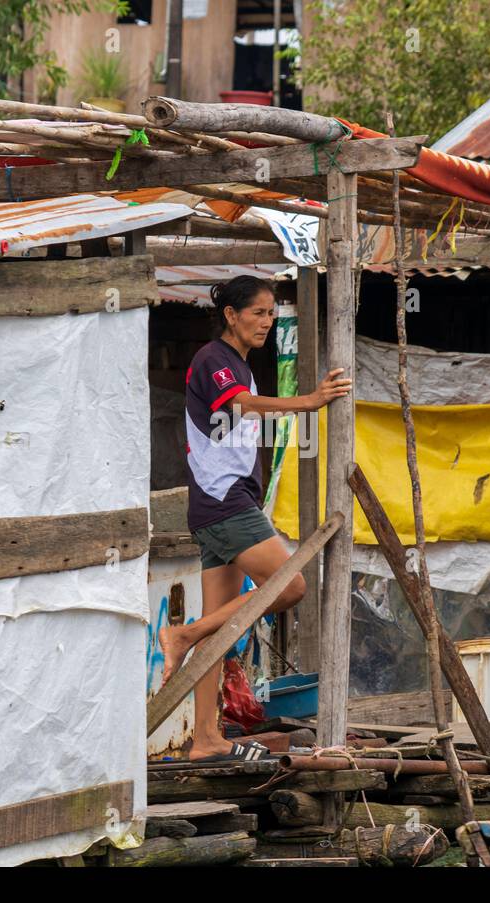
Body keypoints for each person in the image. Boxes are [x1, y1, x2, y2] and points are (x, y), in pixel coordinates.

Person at [158, 275, 351, 761]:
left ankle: (204, 738)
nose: (266, 322)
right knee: (290, 587)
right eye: (258, 313)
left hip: (215, 505)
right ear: (231, 315)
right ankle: (182, 635)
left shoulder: (239, 364)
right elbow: (240, 406)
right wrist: (307, 402)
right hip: (225, 504)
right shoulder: (214, 361)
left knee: (219, 632)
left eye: (270, 314)